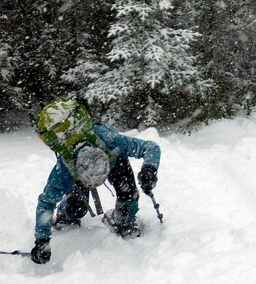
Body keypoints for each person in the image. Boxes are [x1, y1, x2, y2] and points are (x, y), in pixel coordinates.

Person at [29, 97, 160, 265]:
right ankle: (67, 212)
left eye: (101, 179)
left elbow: (150, 147)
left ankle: (122, 220)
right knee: (76, 209)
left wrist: (149, 169)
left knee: (128, 195)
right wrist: (42, 240)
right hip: (84, 170)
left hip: (115, 159)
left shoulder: (112, 142)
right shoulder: (65, 170)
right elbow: (46, 203)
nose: (99, 183)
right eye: (93, 182)